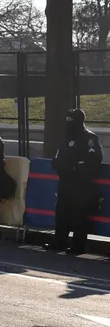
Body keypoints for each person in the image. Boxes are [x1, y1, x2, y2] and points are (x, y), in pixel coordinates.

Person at [48, 108, 104, 255]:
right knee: (62, 213)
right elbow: (57, 159)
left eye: (71, 121)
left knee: (80, 215)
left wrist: (74, 168)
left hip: (81, 185)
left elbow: (94, 160)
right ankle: (60, 241)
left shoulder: (89, 138)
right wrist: (60, 167)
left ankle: (78, 246)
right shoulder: (67, 139)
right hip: (65, 183)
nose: (68, 124)